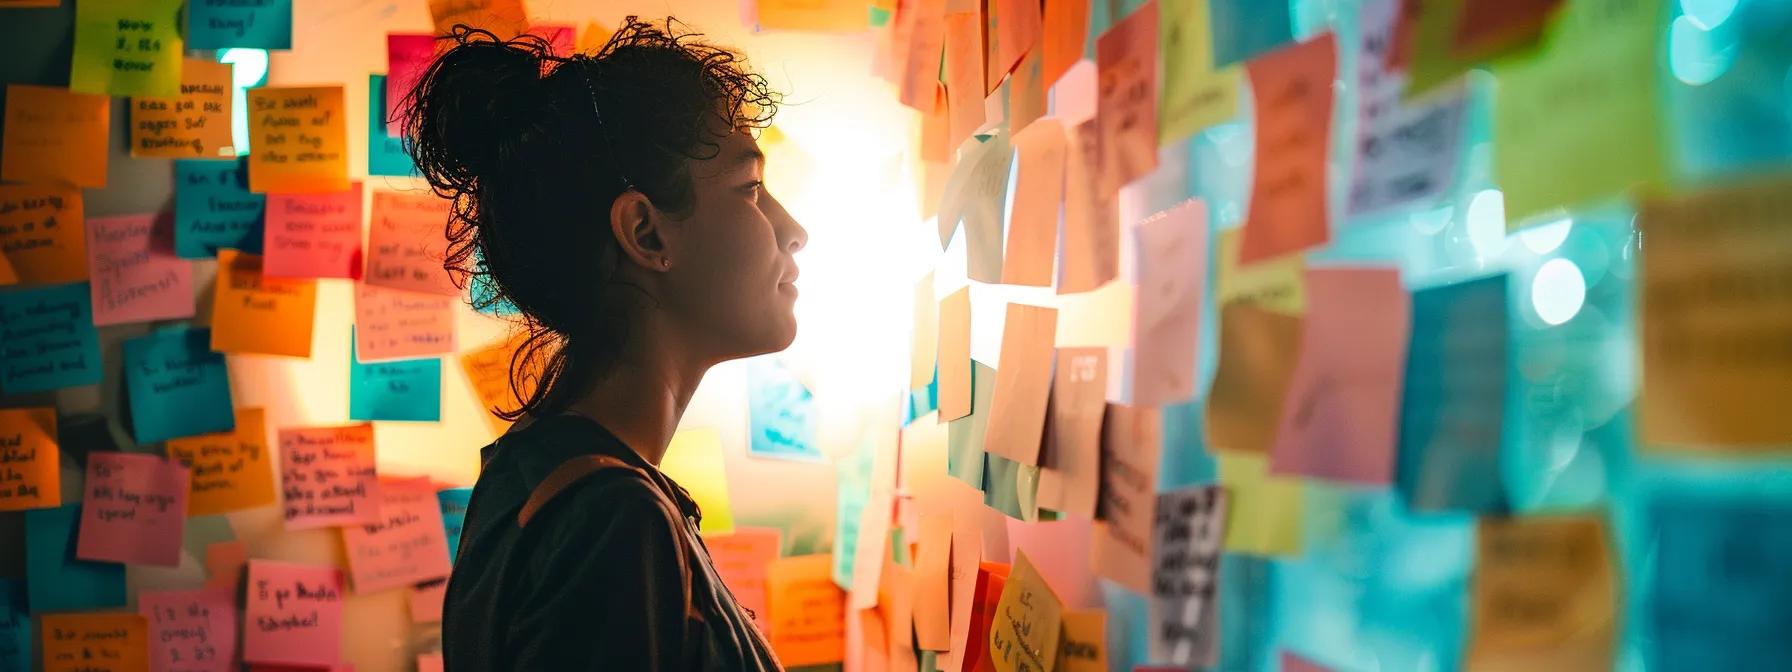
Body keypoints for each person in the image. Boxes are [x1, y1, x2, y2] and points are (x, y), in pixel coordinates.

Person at [402, 17, 804, 671]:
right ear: (646, 234)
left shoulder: (537, 476)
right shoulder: (610, 520)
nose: (794, 231)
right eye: (751, 188)